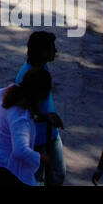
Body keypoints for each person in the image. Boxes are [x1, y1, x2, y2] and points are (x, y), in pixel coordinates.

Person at [0, 68, 52, 186]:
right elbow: (20, 151)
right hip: (5, 167)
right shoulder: (21, 118)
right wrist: (40, 157)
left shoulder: (7, 93)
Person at [17, 32, 65, 186]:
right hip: (37, 138)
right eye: (52, 48)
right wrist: (47, 117)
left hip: (51, 134)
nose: (55, 51)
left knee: (58, 174)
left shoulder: (42, 66)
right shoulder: (26, 76)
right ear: (43, 52)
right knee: (35, 178)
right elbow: (26, 110)